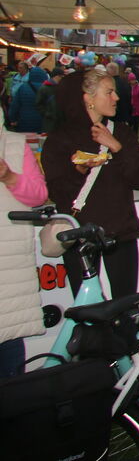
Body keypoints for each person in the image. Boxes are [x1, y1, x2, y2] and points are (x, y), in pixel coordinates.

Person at [42, 69, 139, 298]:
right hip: (79, 235)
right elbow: (56, 191)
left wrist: (116, 148)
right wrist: (80, 170)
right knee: (88, 306)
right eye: (109, 92)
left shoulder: (121, 132)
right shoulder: (60, 139)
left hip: (120, 234)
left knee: (125, 303)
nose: (116, 98)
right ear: (88, 98)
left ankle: (128, 334)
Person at [0, 107, 49, 377]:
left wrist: (9, 177)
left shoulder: (16, 146)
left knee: (9, 374)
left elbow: (39, 196)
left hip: (10, 275)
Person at [35, 67, 65, 133]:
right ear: (57, 76)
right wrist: (47, 114)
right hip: (49, 122)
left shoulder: (62, 87)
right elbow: (39, 104)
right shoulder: (44, 88)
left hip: (60, 122)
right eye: (62, 77)